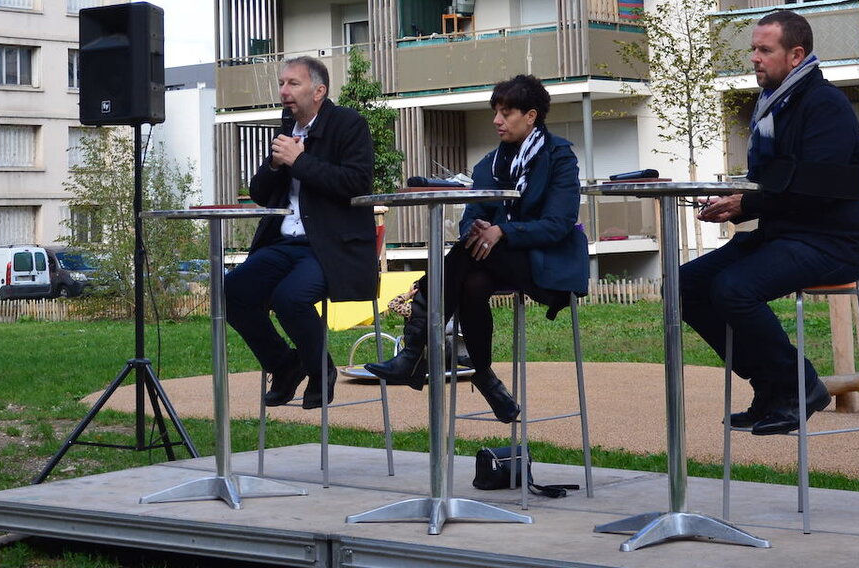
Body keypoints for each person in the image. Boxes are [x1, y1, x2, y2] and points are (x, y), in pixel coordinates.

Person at [681, 9, 859, 436]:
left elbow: (817, 188)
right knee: (684, 285)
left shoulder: (824, 105)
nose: (754, 58)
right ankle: (770, 384)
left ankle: (800, 386)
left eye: (765, 50)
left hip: (832, 242)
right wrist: (736, 202)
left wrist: (746, 205)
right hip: (783, 234)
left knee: (734, 289)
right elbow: (771, 182)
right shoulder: (774, 105)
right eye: (753, 49)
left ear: (795, 54)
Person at [364, 74, 589, 424]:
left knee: (466, 255)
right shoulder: (490, 164)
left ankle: (413, 352)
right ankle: (481, 374)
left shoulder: (559, 156)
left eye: (506, 113)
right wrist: (480, 229)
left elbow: (559, 223)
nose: (496, 120)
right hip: (492, 260)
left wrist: (502, 231)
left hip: (547, 262)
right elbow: (471, 218)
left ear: (531, 116)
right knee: (471, 282)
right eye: (495, 112)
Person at [224, 56, 378, 410]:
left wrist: (299, 161)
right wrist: (277, 164)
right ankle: (284, 365)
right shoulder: (286, 128)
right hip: (283, 242)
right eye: (282, 84)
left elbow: (357, 183)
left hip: (331, 245)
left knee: (289, 298)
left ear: (319, 91)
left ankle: (321, 370)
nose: (283, 92)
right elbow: (261, 194)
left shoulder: (348, 124)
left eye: (293, 84)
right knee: (231, 292)